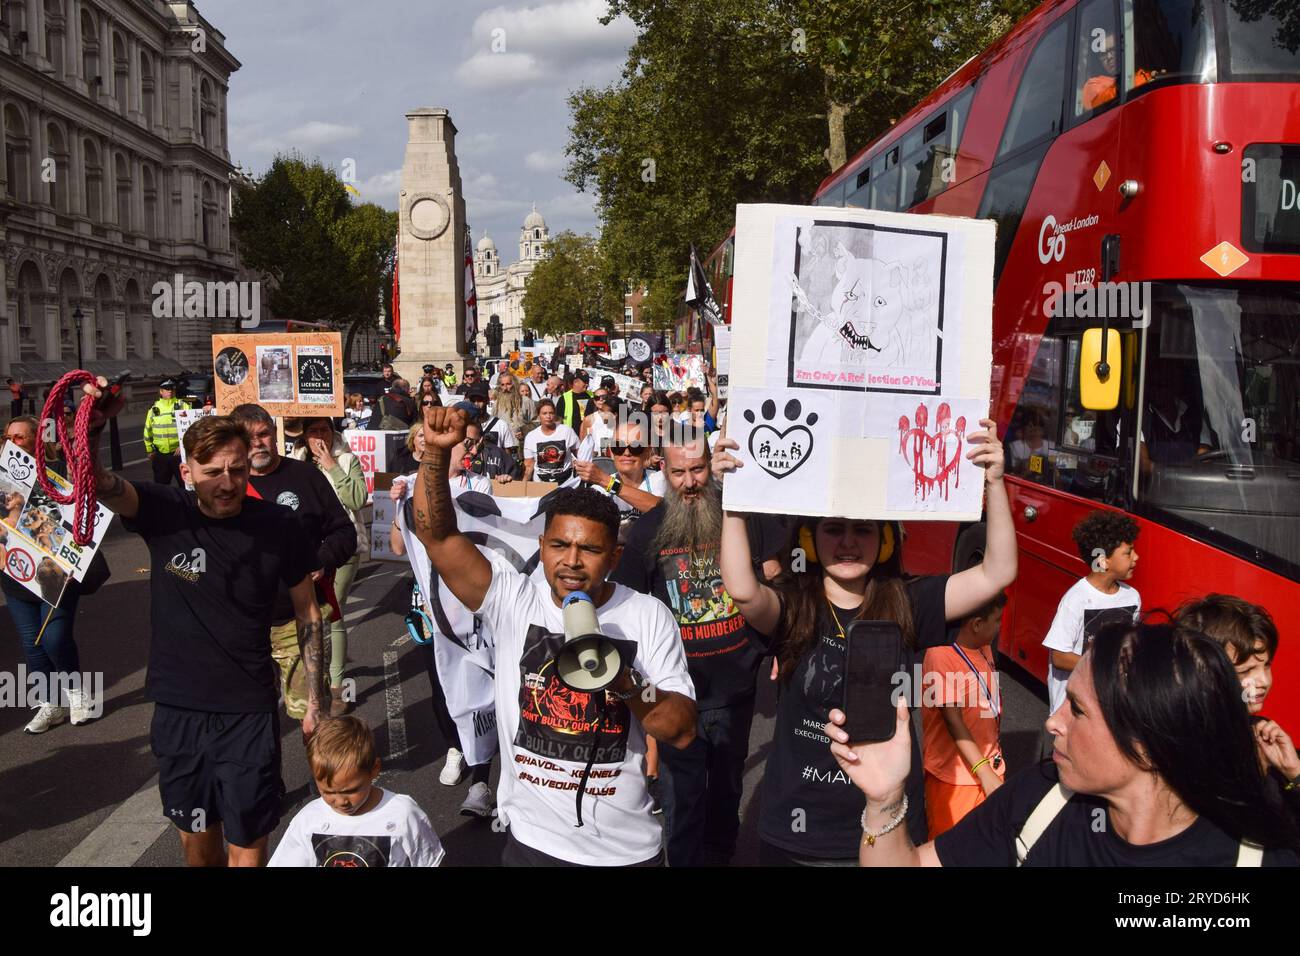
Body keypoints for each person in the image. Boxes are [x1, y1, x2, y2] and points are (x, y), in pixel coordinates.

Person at [711, 417, 1015, 864]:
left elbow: (997, 572)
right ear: (811, 542)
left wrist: (995, 482)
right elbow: (741, 588)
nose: (849, 542)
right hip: (798, 831)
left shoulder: (911, 601)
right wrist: (734, 500)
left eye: (864, 529)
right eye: (834, 529)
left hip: (887, 826)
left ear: (886, 540)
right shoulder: (794, 603)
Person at [410, 406, 697, 866]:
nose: (572, 562)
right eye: (560, 545)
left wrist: (625, 682)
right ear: (542, 547)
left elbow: (680, 730)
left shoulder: (648, 616)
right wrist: (435, 457)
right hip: (532, 846)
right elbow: (437, 537)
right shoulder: (512, 598)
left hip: (625, 853)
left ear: (616, 555)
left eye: (590, 549)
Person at [81, 383, 325, 867]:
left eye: (236, 469)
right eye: (212, 472)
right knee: (198, 851)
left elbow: (308, 611)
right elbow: (97, 482)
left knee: (248, 846)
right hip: (178, 712)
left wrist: (317, 699)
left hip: (248, 713)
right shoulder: (163, 511)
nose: (227, 483)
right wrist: (91, 428)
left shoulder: (278, 524)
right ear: (187, 472)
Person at [828, 622, 1300, 866]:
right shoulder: (1041, 796)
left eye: (1077, 709)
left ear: (1152, 742)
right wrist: (885, 799)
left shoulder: (1256, 857)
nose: (1051, 722)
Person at [613, 435, 787, 866]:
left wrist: (785, 644)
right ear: (664, 472)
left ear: (712, 466)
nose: (689, 482)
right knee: (682, 796)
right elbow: (630, 606)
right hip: (678, 696)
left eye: (698, 470)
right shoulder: (647, 531)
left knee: (727, 788)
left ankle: (720, 857)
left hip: (736, 687)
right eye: (678, 472)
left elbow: (776, 579)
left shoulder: (742, 515)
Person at [231, 404, 357, 727]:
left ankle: (322, 777)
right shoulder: (227, 487)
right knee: (253, 720)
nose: (258, 443)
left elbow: (344, 532)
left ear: (274, 436)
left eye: (263, 435)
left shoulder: (305, 476)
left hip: (298, 618)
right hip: (246, 624)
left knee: (312, 720)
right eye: (249, 437)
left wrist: (320, 561)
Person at [390, 442, 496, 818]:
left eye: (462, 445)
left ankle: (482, 777)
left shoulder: (477, 485)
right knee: (441, 680)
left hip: (473, 604)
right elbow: (397, 547)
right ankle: (456, 747)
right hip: (429, 606)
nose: (458, 450)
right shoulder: (405, 484)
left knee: (483, 680)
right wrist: (396, 507)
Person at [2, 417, 93, 734]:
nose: (13, 442)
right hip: (15, 576)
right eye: (8, 437)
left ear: (34, 440)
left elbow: (79, 518)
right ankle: (49, 705)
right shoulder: (3, 481)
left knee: (54, 638)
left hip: (56, 573)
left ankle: (79, 697)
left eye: (20, 437)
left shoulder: (56, 476)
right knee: (31, 643)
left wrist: (74, 559)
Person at [1175, 595, 1300, 818]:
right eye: (1245, 671)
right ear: (1201, 671)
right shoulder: (1180, 743)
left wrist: (1294, 774)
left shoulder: (1263, 732)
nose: (1263, 681)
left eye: (1266, 666)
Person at [269, 716, 445, 867]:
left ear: (374, 769)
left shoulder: (403, 814)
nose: (341, 801)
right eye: (328, 792)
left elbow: (428, 860)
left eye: (351, 790)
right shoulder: (309, 820)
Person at [292, 417, 369, 717]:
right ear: (305, 436)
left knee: (332, 614)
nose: (320, 436)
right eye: (313, 431)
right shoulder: (294, 462)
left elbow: (358, 499)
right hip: (305, 549)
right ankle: (310, 683)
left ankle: (337, 686)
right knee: (304, 616)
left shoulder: (347, 459)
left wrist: (331, 466)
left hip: (342, 548)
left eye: (325, 429)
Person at [1042, 510, 1141, 724]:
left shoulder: (1132, 597)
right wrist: (1107, 667)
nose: (1136, 557)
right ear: (1104, 561)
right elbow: (1059, 657)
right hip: (1069, 713)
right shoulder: (1076, 599)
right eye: (1128, 552)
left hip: (1106, 709)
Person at [921, 593, 1006, 839]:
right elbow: (953, 721)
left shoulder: (984, 648)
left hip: (990, 767)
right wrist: (984, 772)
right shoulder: (940, 656)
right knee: (951, 850)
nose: (1000, 626)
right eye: (997, 620)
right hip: (955, 779)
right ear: (977, 624)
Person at [572, 418, 664, 532]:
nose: (626, 453)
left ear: (647, 451)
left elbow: (662, 509)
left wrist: (605, 481)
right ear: (611, 452)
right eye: (619, 447)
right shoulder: (599, 490)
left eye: (635, 447)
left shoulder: (660, 479)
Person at [522, 399, 578, 483]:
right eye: (544, 413)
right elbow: (529, 465)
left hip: (566, 482)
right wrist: (523, 485)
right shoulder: (531, 436)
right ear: (538, 415)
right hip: (541, 484)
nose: (548, 416)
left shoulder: (567, 431)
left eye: (551, 413)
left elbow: (580, 454)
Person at [143, 378, 186, 486]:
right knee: (161, 488)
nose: (170, 391)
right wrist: (149, 450)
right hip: (160, 455)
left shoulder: (183, 405)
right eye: (166, 389)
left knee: (186, 486)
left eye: (172, 389)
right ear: (161, 392)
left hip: (178, 454)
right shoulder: (153, 409)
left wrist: (183, 445)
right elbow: (148, 431)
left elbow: (192, 427)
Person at [491, 372, 535, 445]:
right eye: (502, 385)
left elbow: (536, 422)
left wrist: (524, 431)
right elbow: (493, 426)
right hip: (504, 449)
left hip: (522, 447)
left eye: (508, 384)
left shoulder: (526, 401)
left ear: (515, 384)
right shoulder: (497, 404)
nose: (505, 388)